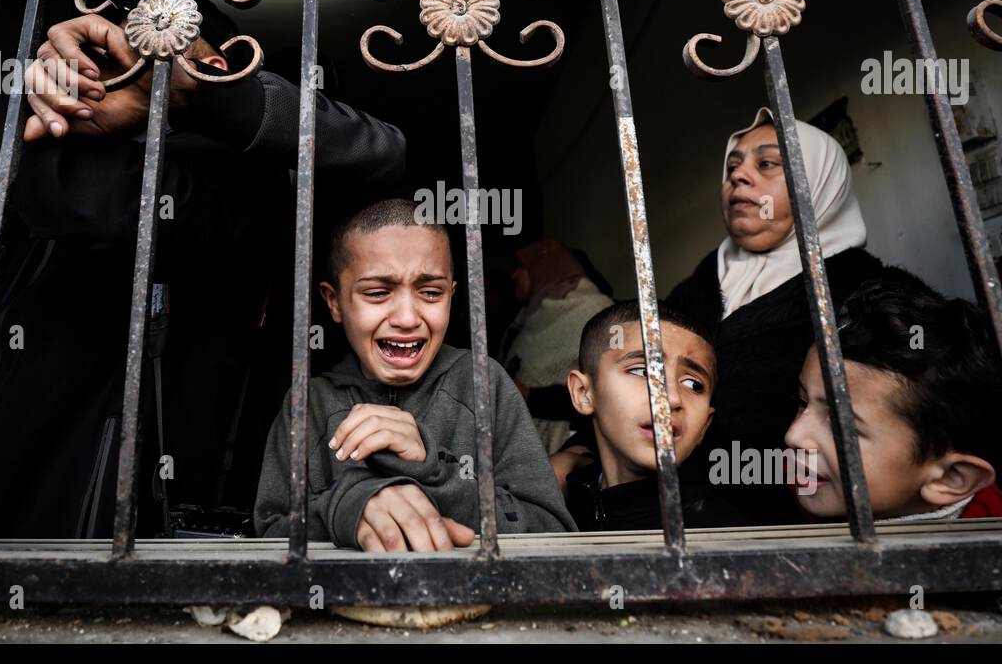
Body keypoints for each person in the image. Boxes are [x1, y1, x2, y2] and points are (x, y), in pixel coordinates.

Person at [0, 0, 409, 538]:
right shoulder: (53, 183)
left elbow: (103, 201)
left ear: (212, 68)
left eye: (148, 52)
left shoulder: (231, 183)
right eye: (108, 55)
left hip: (129, 534)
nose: (112, 72)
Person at [553, 106, 883, 524]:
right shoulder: (701, 284)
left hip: (785, 523)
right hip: (656, 510)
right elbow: (618, 371)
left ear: (821, 183)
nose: (739, 177)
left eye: (767, 164)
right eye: (732, 166)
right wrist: (578, 452)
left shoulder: (863, 294)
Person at [254, 198, 576, 550]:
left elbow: (553, 531)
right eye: (377, 293)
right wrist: (348, 505)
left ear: (451, 296)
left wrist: (434, 470)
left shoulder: (483, 384)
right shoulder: (309, 403)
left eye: (431, 292)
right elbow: (269, 534)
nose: (407, 318)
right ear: (334, 302)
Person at [783, 267, 1002, 521]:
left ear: (952, 478)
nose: (794, 435)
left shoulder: (997, 544)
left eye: (841, 424)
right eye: (802, 402)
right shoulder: (805, 479)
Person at [562, 300, 746, 531]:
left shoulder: (722, 536)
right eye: (642, 371)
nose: (672, 398)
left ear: (705, 425)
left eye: (693, 384)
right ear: (583, 393)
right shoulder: (555, 503)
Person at [497, 239, 614, 454]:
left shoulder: (593, 310)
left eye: (522, 267)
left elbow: (608, 391)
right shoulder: (528, 318)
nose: (514, 275)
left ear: (544, 267)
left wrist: (531, 396)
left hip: (571, 448)